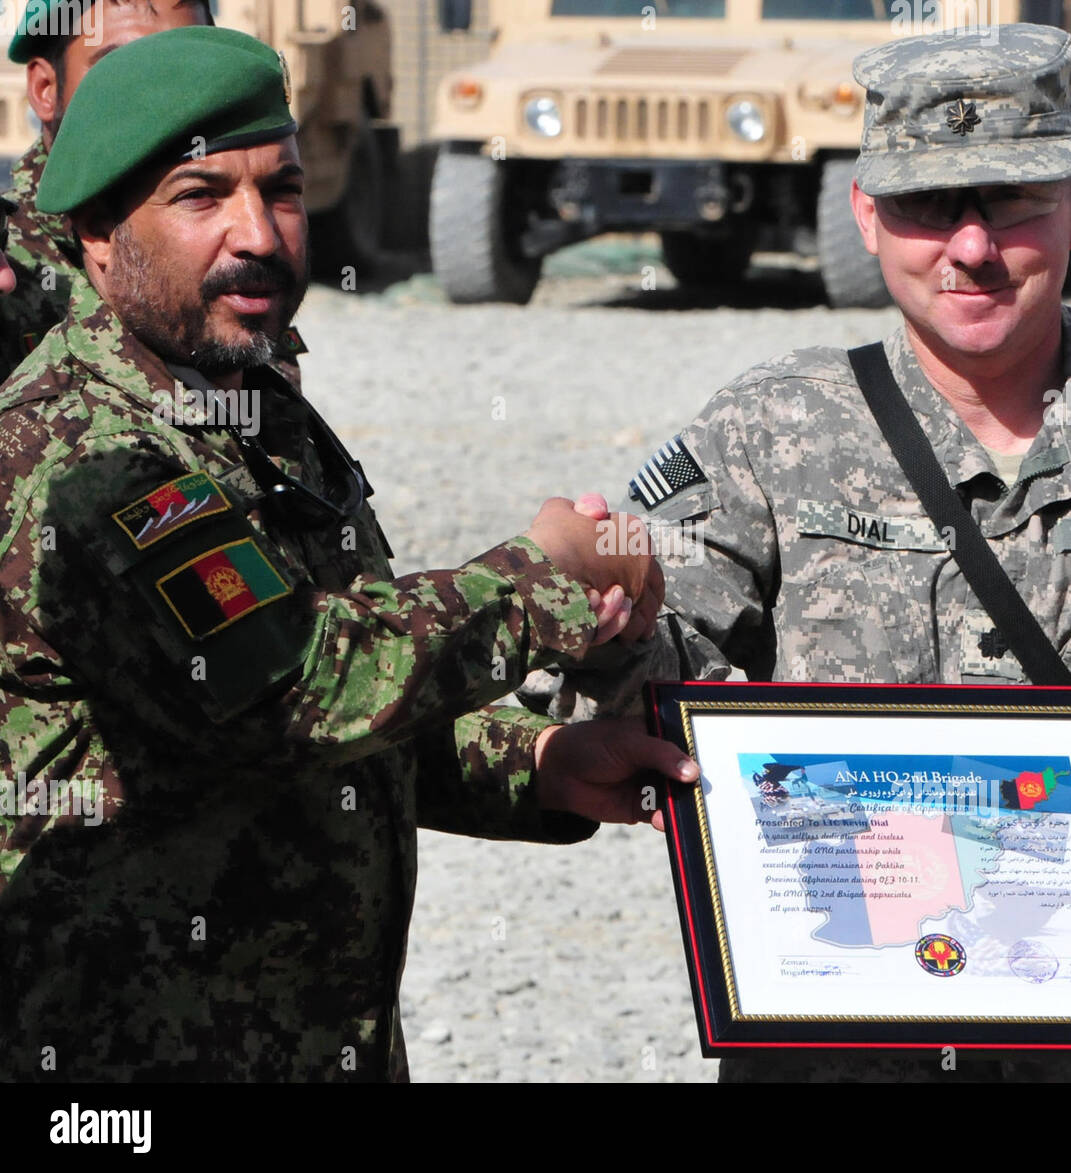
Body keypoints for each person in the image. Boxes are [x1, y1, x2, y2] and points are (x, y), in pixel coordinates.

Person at [525, 23, 1071, 1081]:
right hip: (831, 1037)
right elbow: (674, 694)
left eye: (1010, 205)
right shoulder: (768, 428)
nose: (970, 248)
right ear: (867, 215)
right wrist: (608, 624)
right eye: (930, 207)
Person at [0, 25, 692, 1081]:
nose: (260, 235)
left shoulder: (245, 401)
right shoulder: (82, 446)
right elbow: (296, 686)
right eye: (200, 197)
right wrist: (546, 574)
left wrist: (542, 765)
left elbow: (332, 725)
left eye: (281, 190)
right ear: (99, 233)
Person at [0, 1, 216, 380]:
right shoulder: (11, 271)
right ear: (45, 89)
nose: (164, 98)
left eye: (188, 68)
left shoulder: (236, 232)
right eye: (119, 69)